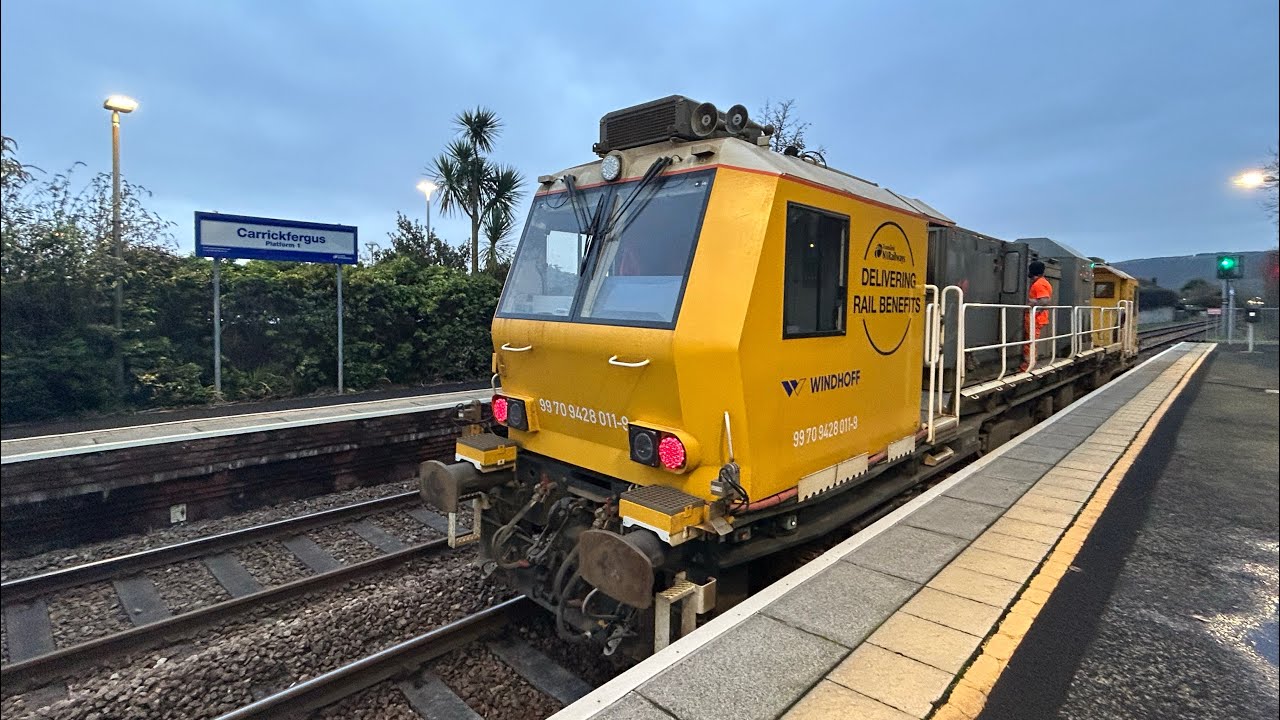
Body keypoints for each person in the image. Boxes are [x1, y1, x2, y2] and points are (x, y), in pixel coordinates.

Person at [1020, 260, 1053, 372]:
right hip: (1038, 317)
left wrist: (1032, 306)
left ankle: (1028, 365)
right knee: (1031, 341)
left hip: (1035, 318)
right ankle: (1029, 363)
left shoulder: (1039, 284)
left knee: (1030, 341)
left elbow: (1044, 301)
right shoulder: (1044, 282)